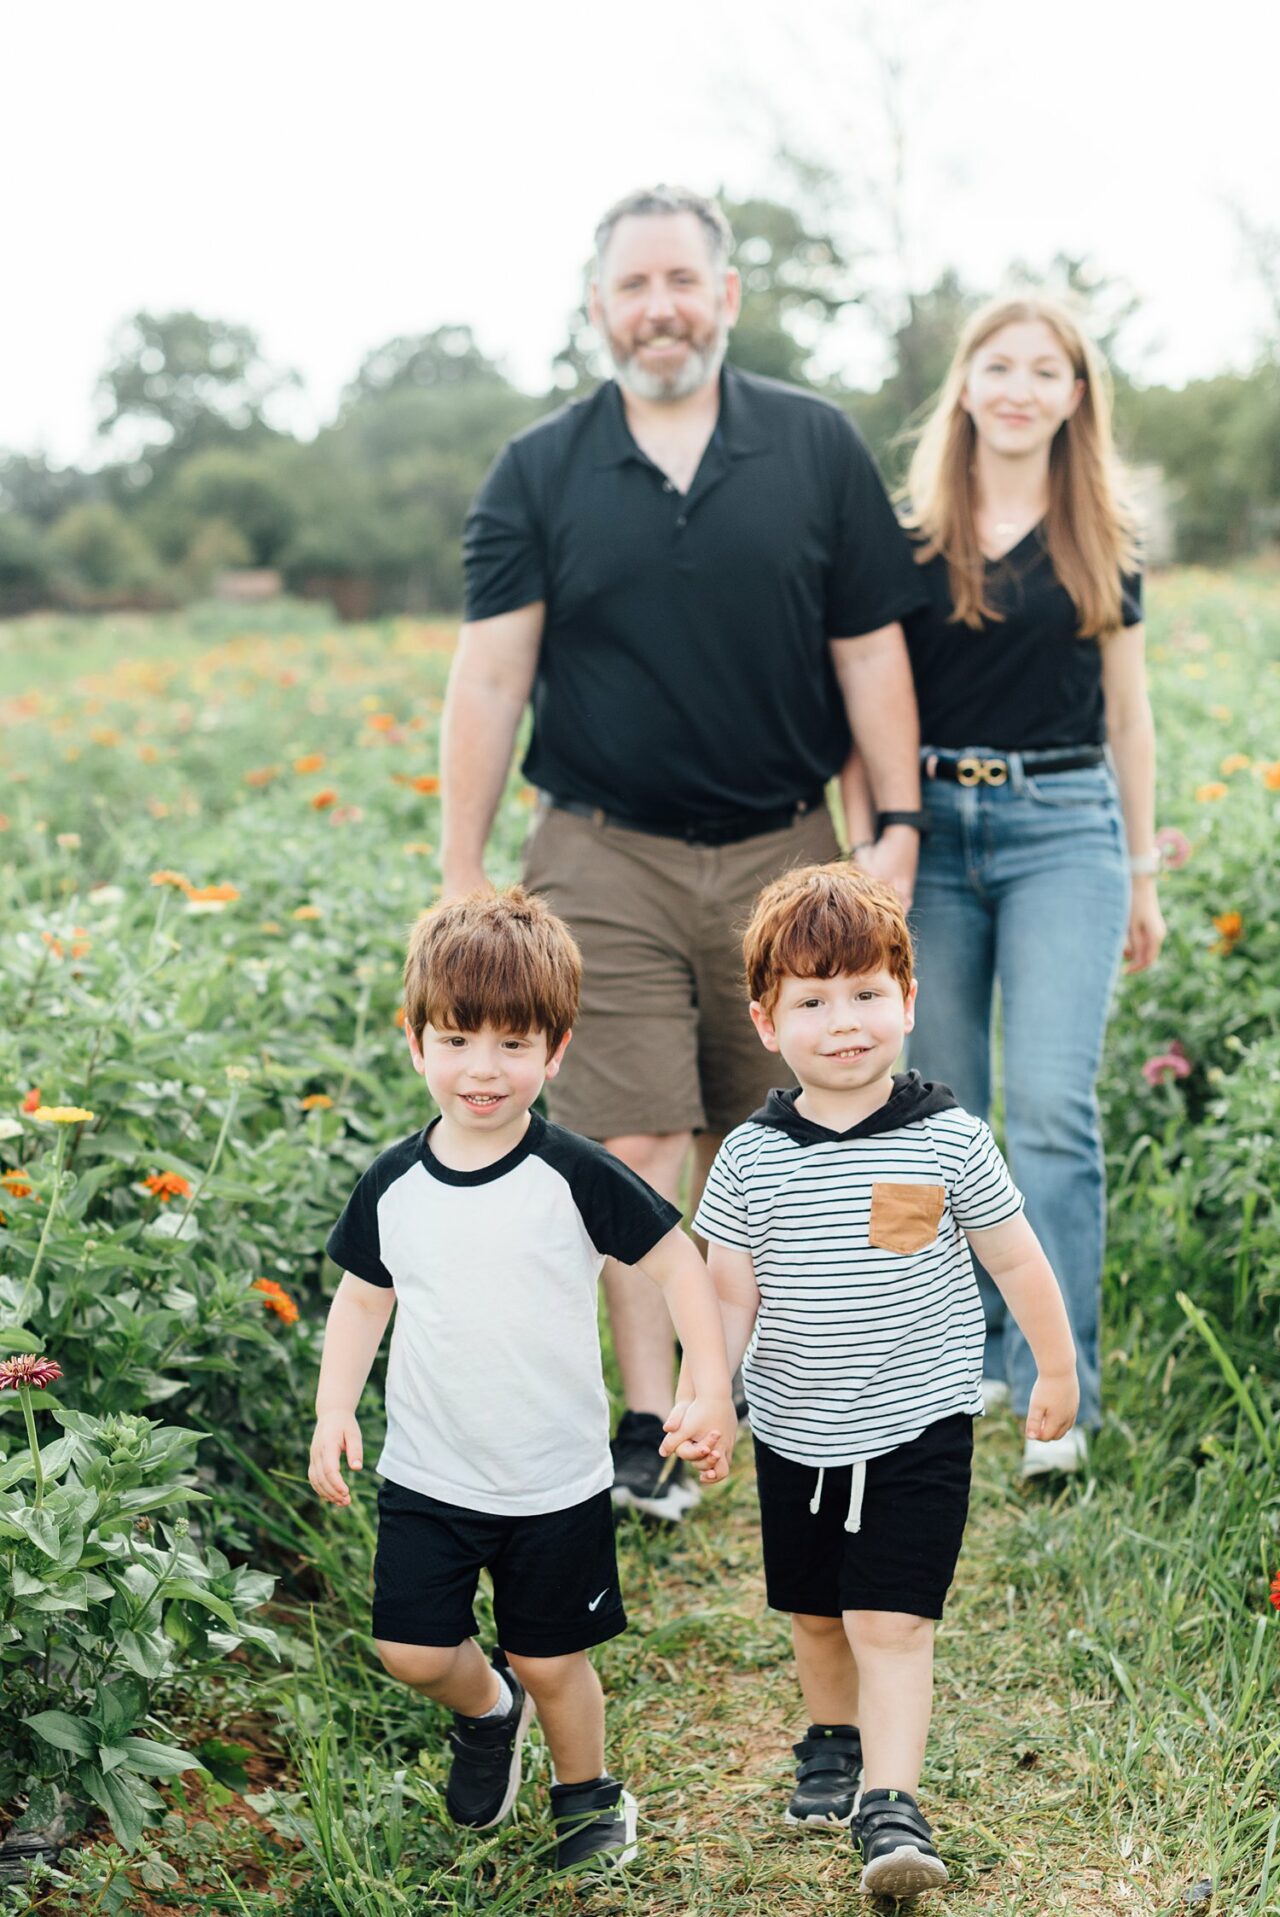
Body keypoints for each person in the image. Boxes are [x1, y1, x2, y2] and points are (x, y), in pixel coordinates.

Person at [442, 183, 929, 1520]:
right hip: (603, 847)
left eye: (681, 282)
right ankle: (650, 1421)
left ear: (725, 297)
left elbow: (869, 648)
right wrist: (461, 870)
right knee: (638, 1134)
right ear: (598, 310)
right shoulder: (538, 469)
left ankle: (764, 1383)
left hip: (786, 839)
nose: (659, 308)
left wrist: (895, 825)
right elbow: (490, 681)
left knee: (769, 1132)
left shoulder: (816, 448)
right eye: (631, 286)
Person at [308, 887, 735, 1873]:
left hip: (554, 1482)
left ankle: (586, 1796)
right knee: (411, 1652)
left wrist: (704, 1384)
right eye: (457, 1039)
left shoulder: (571, 1174)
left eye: (513, 1043)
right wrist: (336, 1406)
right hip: (428, 1474)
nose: (483, 1069)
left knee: (554, 1660)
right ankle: (485, 1710)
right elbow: (364, 1298)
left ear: (556, 1049)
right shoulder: (393, 1183)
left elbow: (675, 1263)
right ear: (414, 1041)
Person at [679, 862, 1077, 1896]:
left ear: (906, 1000)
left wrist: (1052, 1363)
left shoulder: (946, 1137)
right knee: (816, 1613)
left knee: (889, 1621)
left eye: (864, 993)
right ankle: (829, 1738)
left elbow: (1015, 1257)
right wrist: (706, 1392)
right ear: (766, 1022)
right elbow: (726, 1295)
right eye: (810, 1001)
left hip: (918, 1421)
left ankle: (890, 1805)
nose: (842, 1021)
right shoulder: (751, 1159)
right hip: (796, 1425)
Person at [846, 292, 1165, 1478]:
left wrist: (1141, 872)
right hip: (928, 829)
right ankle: (934, 1352)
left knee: (1046, 1109)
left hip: (1062, 828)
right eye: (999, 364)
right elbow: (862, 694)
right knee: (926, 1109)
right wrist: (876, 833)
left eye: (1046, 369)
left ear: (1075, 396)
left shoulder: (1103, 537)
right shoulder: (903, 535)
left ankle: (1053, 1385)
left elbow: (1127, 716)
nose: (1021, 386)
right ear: (966, 383)